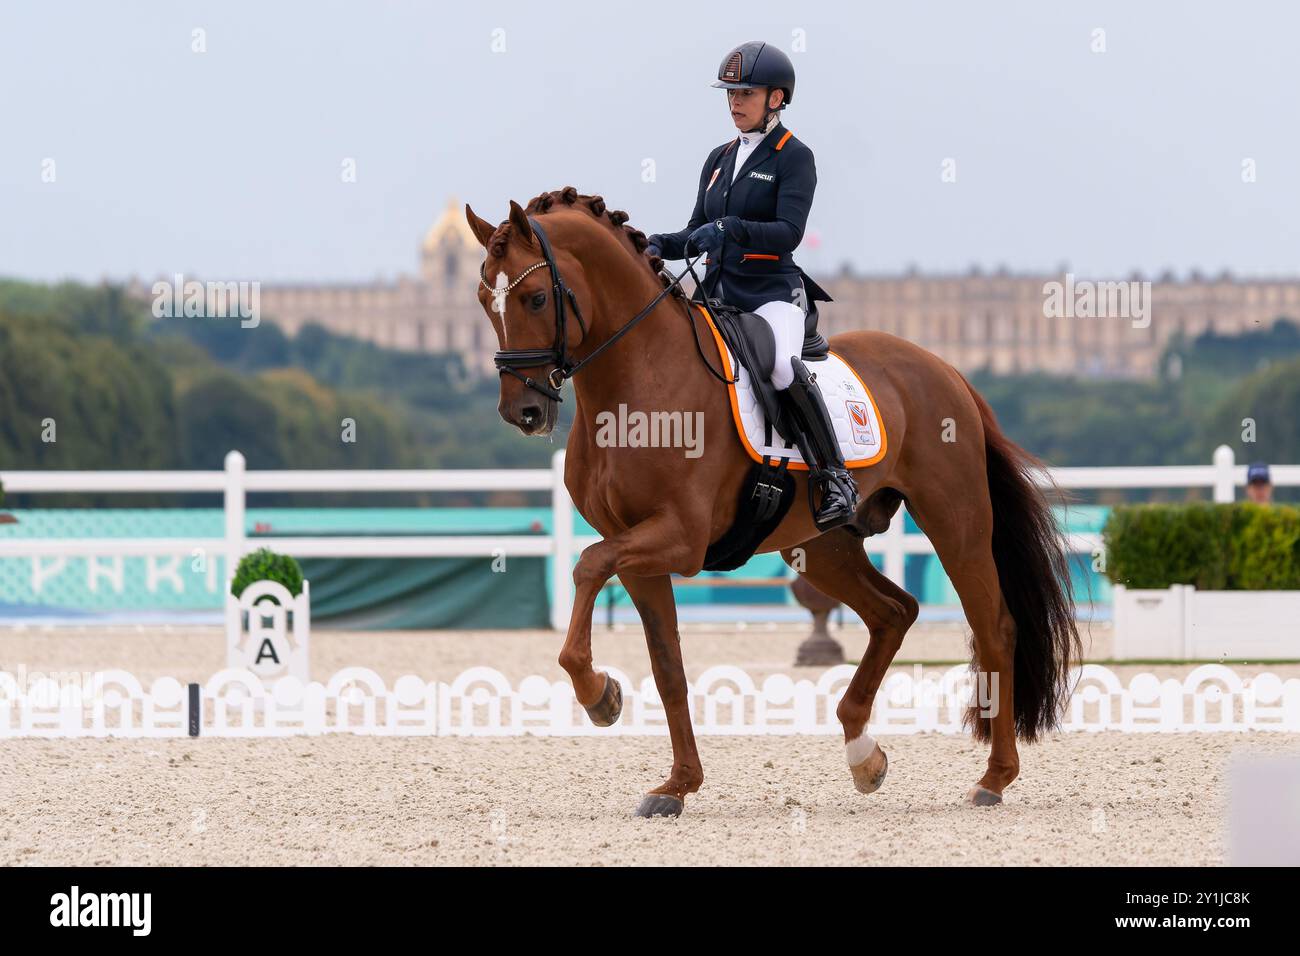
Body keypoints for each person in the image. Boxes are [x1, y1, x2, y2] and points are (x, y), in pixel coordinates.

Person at [646, 40, 858, 531]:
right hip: (718, 297)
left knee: (783, 368)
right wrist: (657, 243)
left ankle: (835, 477)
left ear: (777, 99)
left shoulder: (793, 157)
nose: (735, 103)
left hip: (770, 294)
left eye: (746, 93)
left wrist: (732, 229)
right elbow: (697, 229)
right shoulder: (718, 158)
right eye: (730, 94)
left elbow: (789, 233)